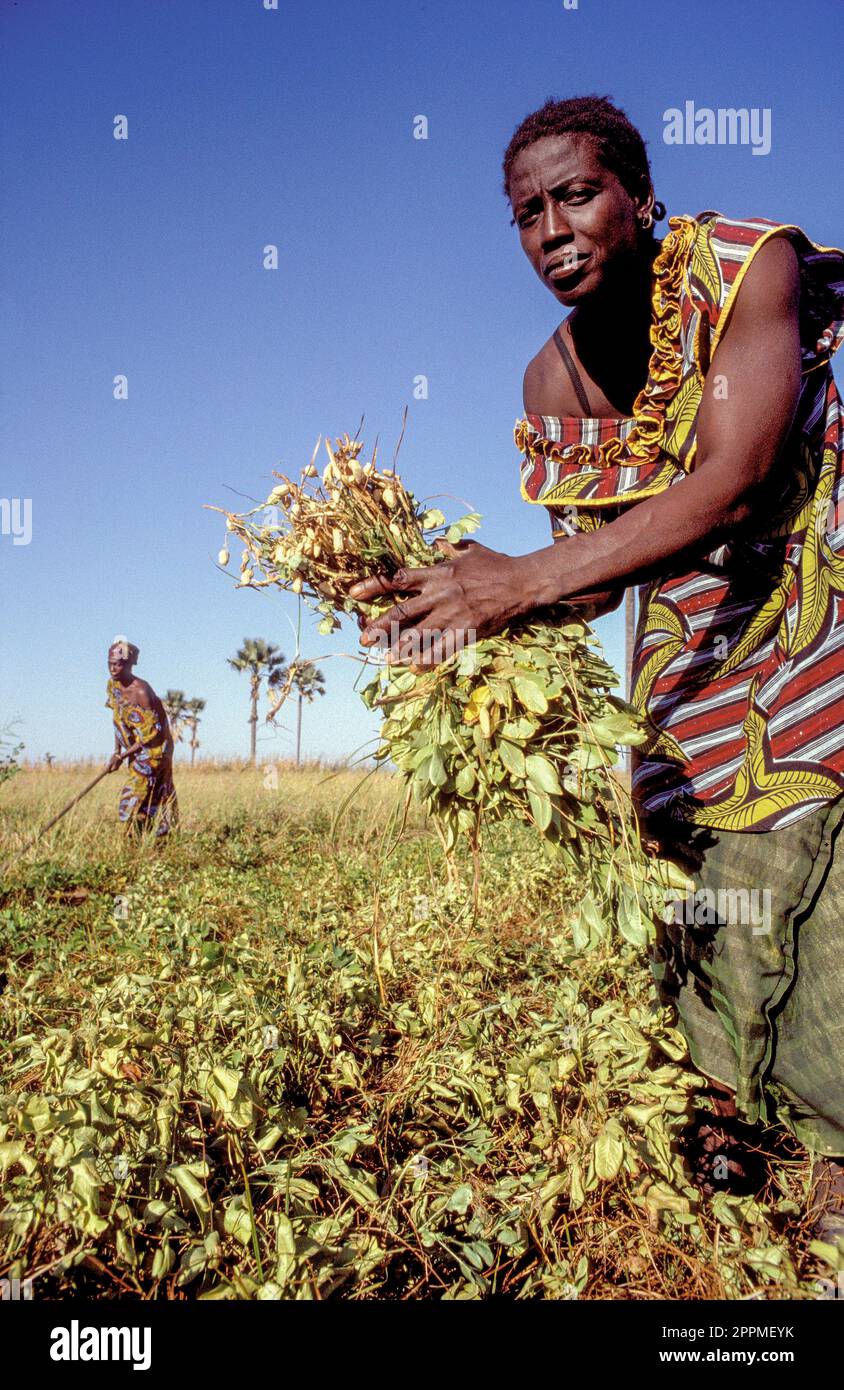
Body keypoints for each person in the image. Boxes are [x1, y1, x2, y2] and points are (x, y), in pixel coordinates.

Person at [350, 96, 844, 1244]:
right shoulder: (555, 382)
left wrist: (515, 581)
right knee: (675, 831)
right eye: (526, 214)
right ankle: (740, 1098)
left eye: (576, 194)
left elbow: (735, 474)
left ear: (638, 194)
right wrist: (450, 619)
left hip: (817, 551)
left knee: (809, 820)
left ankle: (829, 1145)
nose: (551, 230)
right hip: (690, 600)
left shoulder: (742, 269)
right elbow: (596, 577)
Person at [106, 636, 178, 837]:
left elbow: (150, 736)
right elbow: (117, 720)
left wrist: (122, 757)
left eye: (118, 665)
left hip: (156, 750)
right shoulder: (113, 686)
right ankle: (140, 841)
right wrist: (117, 751)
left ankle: (149, 840)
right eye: (110, 664)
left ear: (129, 665)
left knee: (142, 793)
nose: (113, 669)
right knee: (145, 796)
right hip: (135, 750)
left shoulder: (141, 691)